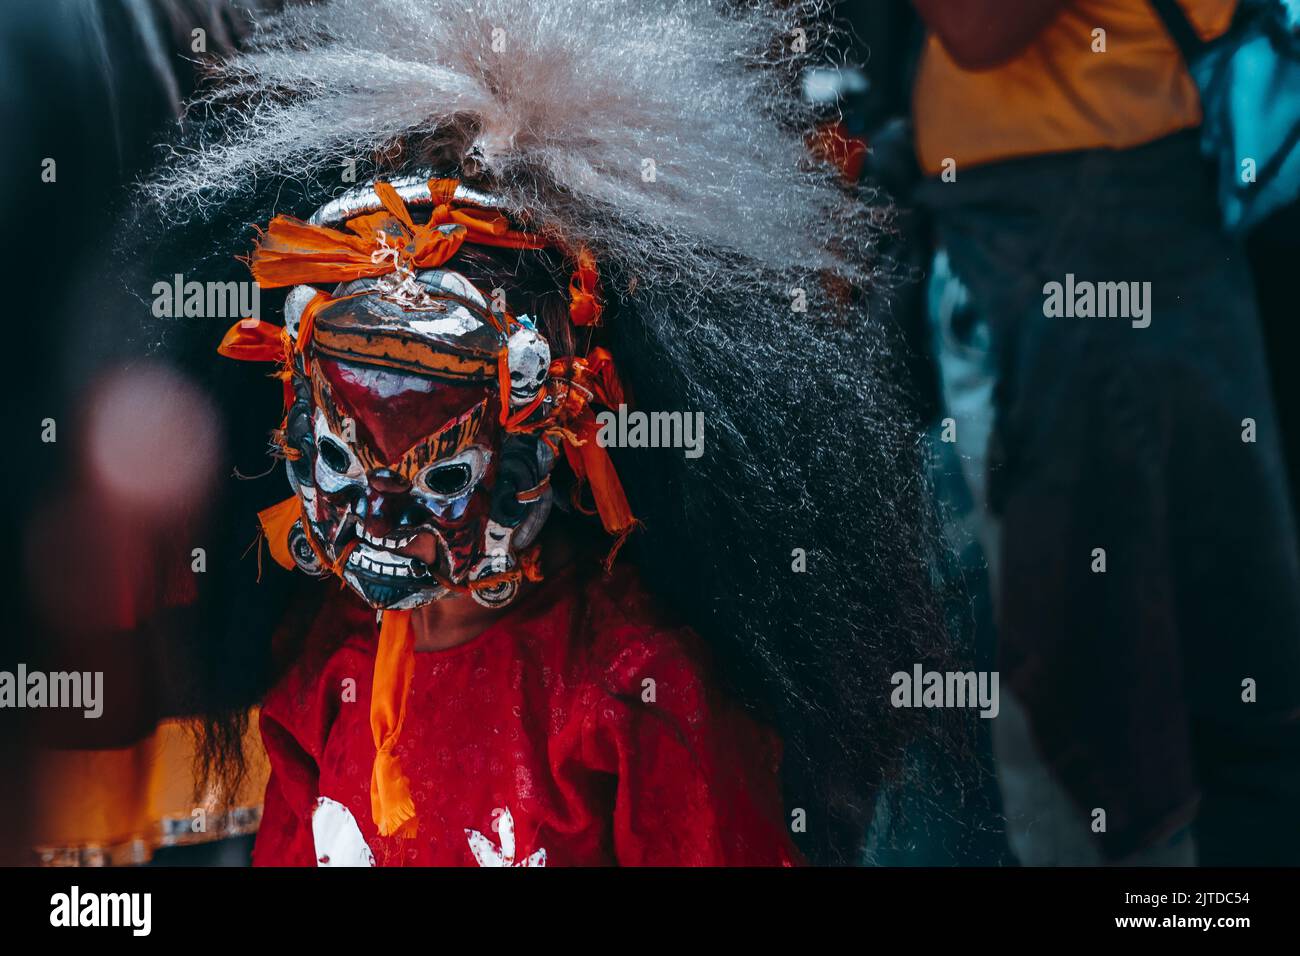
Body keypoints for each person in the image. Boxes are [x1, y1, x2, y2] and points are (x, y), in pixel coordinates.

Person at [144, 0, 960, 865]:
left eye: (443, 477)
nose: (377, 519)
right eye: (342, 459)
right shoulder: (326, 665)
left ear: (549, 434)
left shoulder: (630, 687)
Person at [911, 0, 1300, 864]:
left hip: (1097, 219)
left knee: (1119, 719)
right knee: (1184, 705)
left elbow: (975, 29)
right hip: (1128, 206)